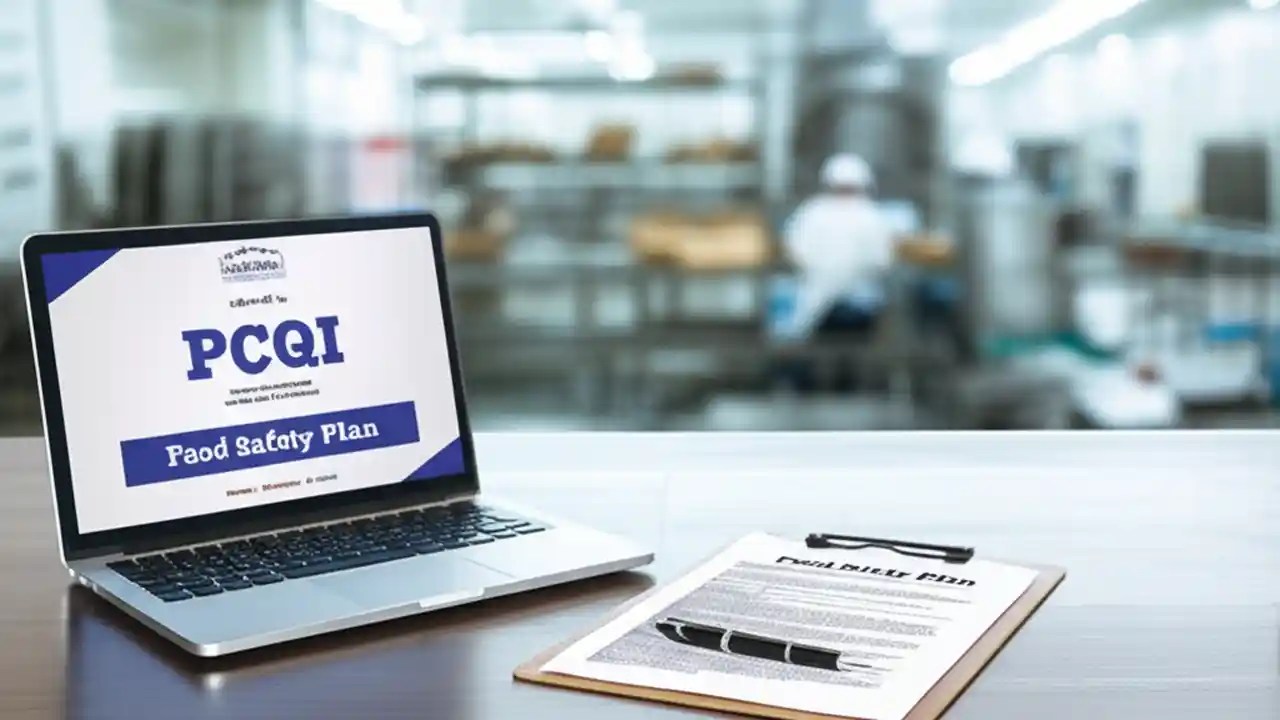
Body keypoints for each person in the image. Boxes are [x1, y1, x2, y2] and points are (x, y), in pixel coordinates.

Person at [777, 153, 894, 391]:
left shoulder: (812, 213)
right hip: (859, 307)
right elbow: (882, 262)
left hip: (819, 305)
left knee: (807, 350)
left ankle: (807, 387)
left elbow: (794, 252)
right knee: (851, 360)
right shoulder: (872, 215)